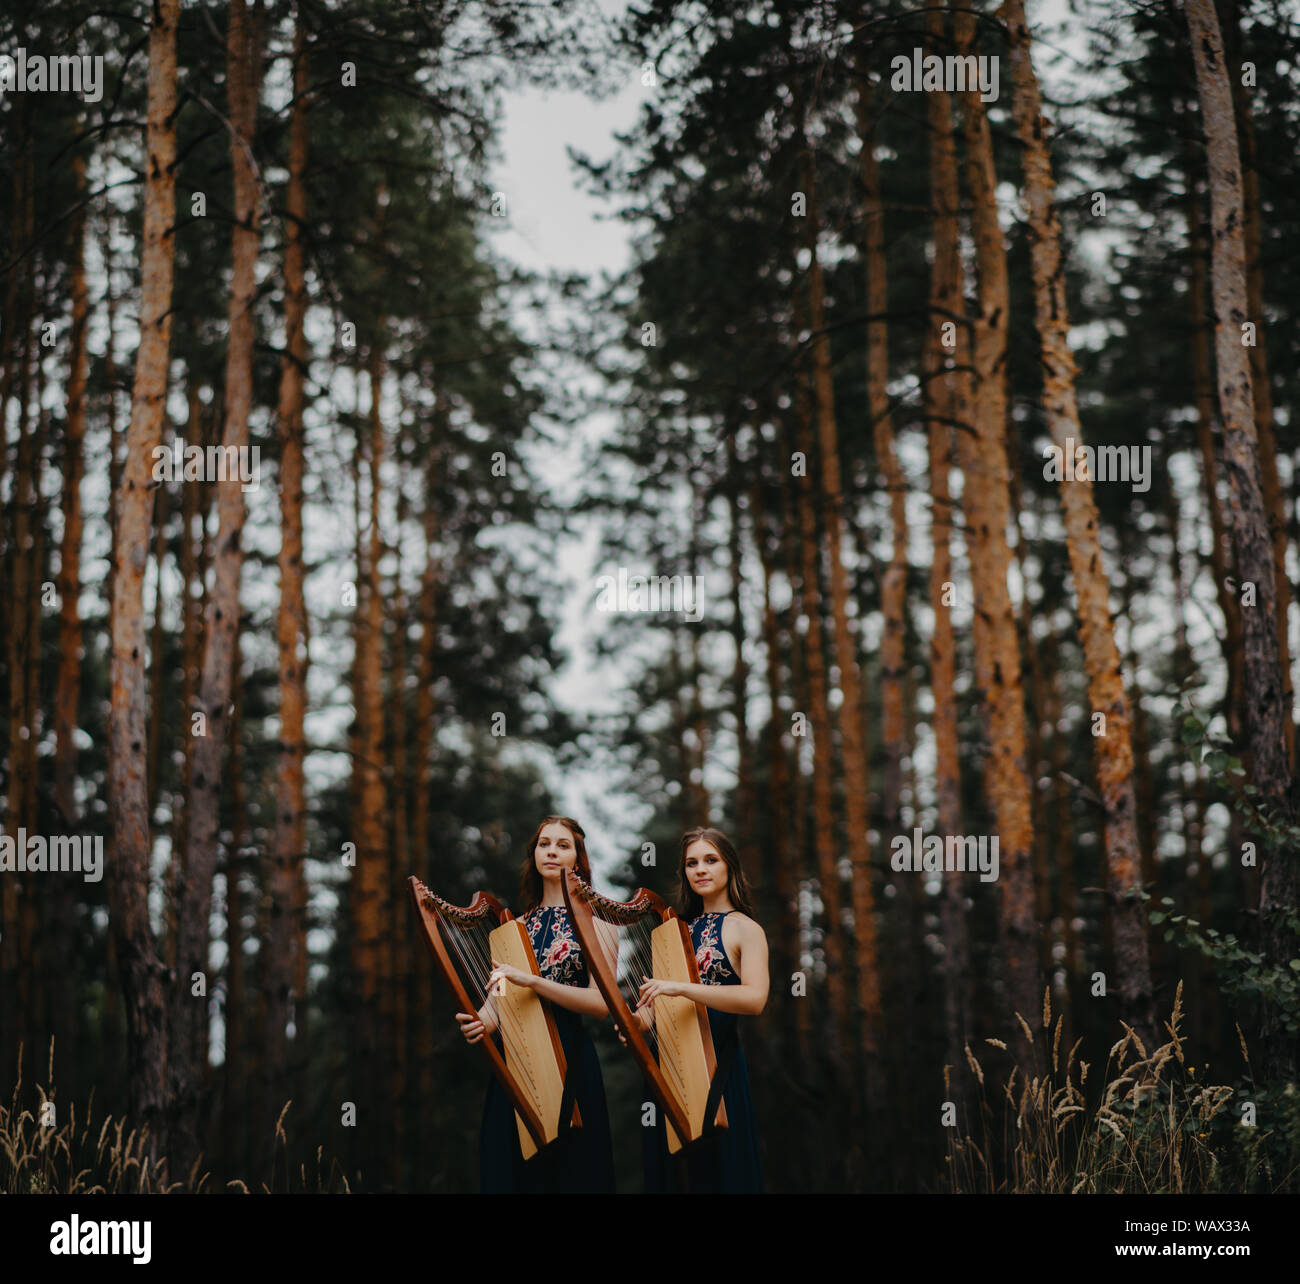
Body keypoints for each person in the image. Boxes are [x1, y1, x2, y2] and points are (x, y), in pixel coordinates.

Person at [456, 815, 616, 1192]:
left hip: (572, 1059)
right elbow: (499, 1003)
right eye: (545, 844)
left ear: (577, 859)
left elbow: (600, 1004)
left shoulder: (600, 925)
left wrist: (534, 981)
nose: (552, 851)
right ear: (534, 855)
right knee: (511, 1173)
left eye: (563, 845)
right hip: (517, 1063)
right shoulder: (515, 928)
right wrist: (481, 1020)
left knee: (574, 1174)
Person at [636, 826, 767, 1192]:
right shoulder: (673, 933)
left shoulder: (746, 929)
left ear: (730, 867)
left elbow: (754, 999)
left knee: (722, 1175)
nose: (700, 869)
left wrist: (683, 988)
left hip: (719, 1070)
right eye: (691, 863)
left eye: (711, 860)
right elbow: (654, 1006)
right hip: (670, 1069)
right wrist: (635, 1021)